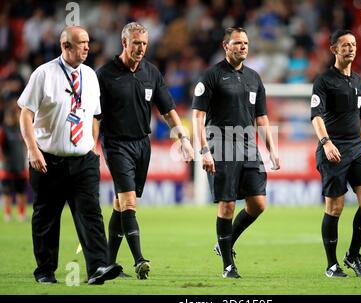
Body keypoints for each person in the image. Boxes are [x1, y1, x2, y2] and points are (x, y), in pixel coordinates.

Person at [18, 26, 122, 284]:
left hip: (83, 160)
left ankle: (97, 268)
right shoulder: (44, 74)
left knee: (91, 214)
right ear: (66, 46)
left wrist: (92, 146)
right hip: (48, 159)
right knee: (46, 218)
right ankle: (45, 271)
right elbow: (25, 114)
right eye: (82, 43)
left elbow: (95, 115)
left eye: (88, 42)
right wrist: (33, 150)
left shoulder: (90, 75)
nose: (88, 47)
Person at [96, 22, 194, 280]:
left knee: (120, 204)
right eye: (136, 43)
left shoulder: (151, 73)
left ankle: (108, 265)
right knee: (129, 202)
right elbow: (95, 116)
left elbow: (167, 109)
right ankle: (139, 260)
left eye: (144, 44)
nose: (141, 48)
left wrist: (183, 137)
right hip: (116, 144)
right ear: (124, 42)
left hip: (142, 144)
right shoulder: (105, 75)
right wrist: (90, 145)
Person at [192, 27, 280, 279]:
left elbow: (261, 117)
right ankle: (228, 266)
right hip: (220, 144)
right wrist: (204, 150)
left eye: (246, 43)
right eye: (238, 43)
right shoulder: (211, 76)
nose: (243, 46)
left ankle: (224, 243)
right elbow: (197, 116)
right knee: (228, 204)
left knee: (258, 204)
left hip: (248, 146)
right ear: (225, 46)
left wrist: (272, 150)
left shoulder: (254, 78)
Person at [311, 29, 361, 278]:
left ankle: (352, 255)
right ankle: (332, 265)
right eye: (345, 45)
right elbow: (316, 117)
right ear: (334, 49)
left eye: (353, 44)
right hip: (333, 149)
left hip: (357, 149)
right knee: (335, 208)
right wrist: (326, 142)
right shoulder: (323, 81)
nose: (350, 48)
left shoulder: (360, 82)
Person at [0, 105, 27, 222]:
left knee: (21, 192)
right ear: (7, 117)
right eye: (14, 115)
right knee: (7, 192)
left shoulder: (21, 129)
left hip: (20, 165)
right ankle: (8, 214)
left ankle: (22, 214)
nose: (15, 117)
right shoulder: (3, 130)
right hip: (7, 167)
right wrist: (2, 158)